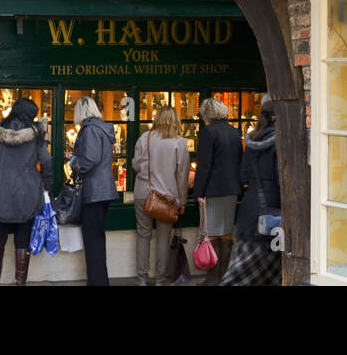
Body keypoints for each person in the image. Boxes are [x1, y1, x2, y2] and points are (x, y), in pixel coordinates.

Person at [0, 96, 52, 286]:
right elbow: (46, 161)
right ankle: (20, 283)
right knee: (22, 240)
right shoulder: (36, 135)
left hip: (0, 191)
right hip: (28, 191)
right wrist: (47, 184)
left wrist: (1, 169)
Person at [222, 95, 281, 286]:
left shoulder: (252, 140)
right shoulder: (281, 144)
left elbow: (243, 176)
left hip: (249, 213)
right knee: (270, 276)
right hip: (272, 214)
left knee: (239, 275)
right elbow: (281, 179)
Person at [131, 105, 190, 285]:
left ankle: (141, 279)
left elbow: (136, 165)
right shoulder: (179, 143)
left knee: (143, 236)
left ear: (157, 119)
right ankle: (160, 279)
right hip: (167, 198)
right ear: (175, 121)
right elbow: (182, 176)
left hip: (143, 193)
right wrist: (182, 201)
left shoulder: (144, 138)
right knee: (163, 240)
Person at [67, 95, 117, 285]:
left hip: (95, 191)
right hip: (104, 190)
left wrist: (74, 162)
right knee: (96, 237)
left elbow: (90, 160)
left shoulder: (90, 130)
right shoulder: (102, 129)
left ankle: (97, 282)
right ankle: (99, 280)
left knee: (92, 239)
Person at [194, 96, 242, 284]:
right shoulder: (234, 132)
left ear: (207, 114)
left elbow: (204, 165)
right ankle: (225, 276)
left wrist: (198, 191)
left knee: (211, 232)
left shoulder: (208, 132)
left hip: (212, 190)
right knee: (226, 232)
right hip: (231, 188)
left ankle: (213, 278)